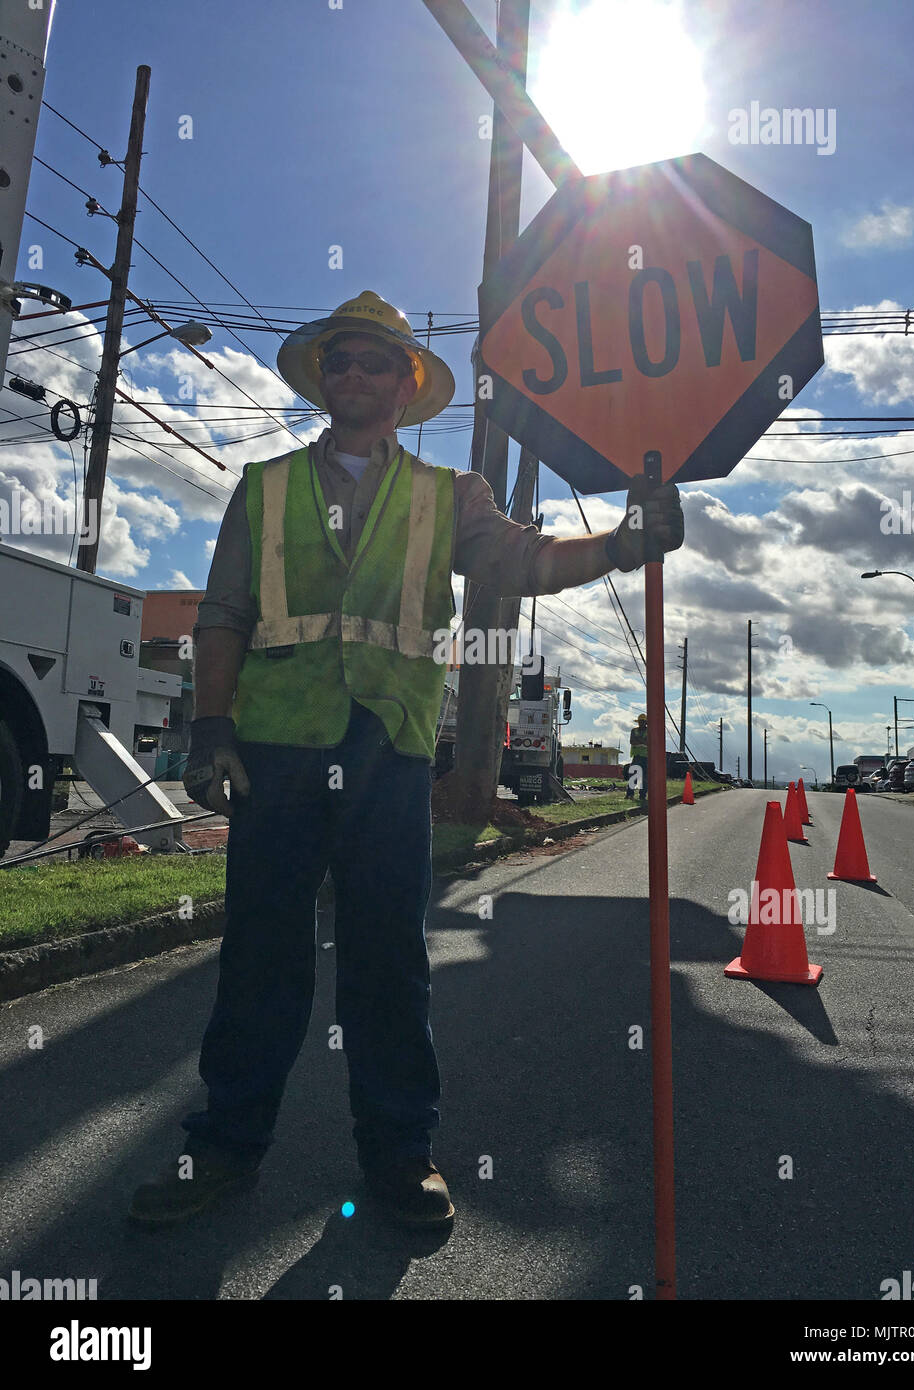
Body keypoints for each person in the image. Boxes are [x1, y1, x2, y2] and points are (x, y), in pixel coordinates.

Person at [128, 291, 684, 1230]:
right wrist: (210, 730)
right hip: (276, 749)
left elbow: (523, 561)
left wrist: (624, 544)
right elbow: (222, 615)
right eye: (339, 361)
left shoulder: (447, 496)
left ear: (405, 383)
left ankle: (399, 1155)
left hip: (387, 751)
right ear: (324, 379)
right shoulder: (262, 487)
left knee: (389, 961)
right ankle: (221, 1146)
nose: (354, 375)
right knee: (261, 956)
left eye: (374, 363)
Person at [627, 713, 648, 803]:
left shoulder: (649, 731)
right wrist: (643, 742)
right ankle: (629, 794)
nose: (641, 723)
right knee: (633, 776)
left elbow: (648, 742)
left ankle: (642, 796)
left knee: (644, 777)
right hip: (636, 756)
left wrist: (638, 740)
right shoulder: (633, 731)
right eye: (640, 721)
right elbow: (632, 741)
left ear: (646, 722)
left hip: (646, 757)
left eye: (643, 721)